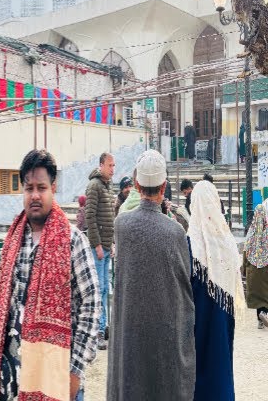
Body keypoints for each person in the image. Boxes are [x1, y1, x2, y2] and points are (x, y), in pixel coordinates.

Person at [0, 150, 99, 401]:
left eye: (41, 188)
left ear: (53, 188)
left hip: (58, 374)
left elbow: (91, 306)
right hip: (14, 377)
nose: (35, 195)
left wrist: (74, 372)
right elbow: (5, 308)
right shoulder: (13, 241)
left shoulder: (73, 240)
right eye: (29, 188)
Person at [106, 149, 194, 401]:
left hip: (131, 332)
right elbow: (183, 285)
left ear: (136, 184)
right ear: (164, 186)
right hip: (164, 332)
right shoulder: (175, 231)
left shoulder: (121, 225)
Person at [187, 180, 242, 401]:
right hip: (222, 314)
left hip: (197, 317)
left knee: (198, 368)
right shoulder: (228, 244)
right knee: (221, 363)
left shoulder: (189, 244)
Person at [83, 151, 116, 349]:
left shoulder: (107, 186)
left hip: (106, 245)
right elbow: (90, 217)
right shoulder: (94, 186)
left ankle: (102, 328)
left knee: (104, 288)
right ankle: (97, 331)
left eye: (114, 166)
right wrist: (97, 245)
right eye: (110, 165)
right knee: (98, 289)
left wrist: (111, 243)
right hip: (98, 248)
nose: (113, 169)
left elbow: (110, 217)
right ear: (101, 165)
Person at [244, 200, 268, 328]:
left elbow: (245, 251)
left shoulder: (251, 233)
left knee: (258, 294)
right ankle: (264, 313)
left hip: (253, 269)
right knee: (265, 292)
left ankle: (260, 317)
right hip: (264, 268)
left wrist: (244, 268)